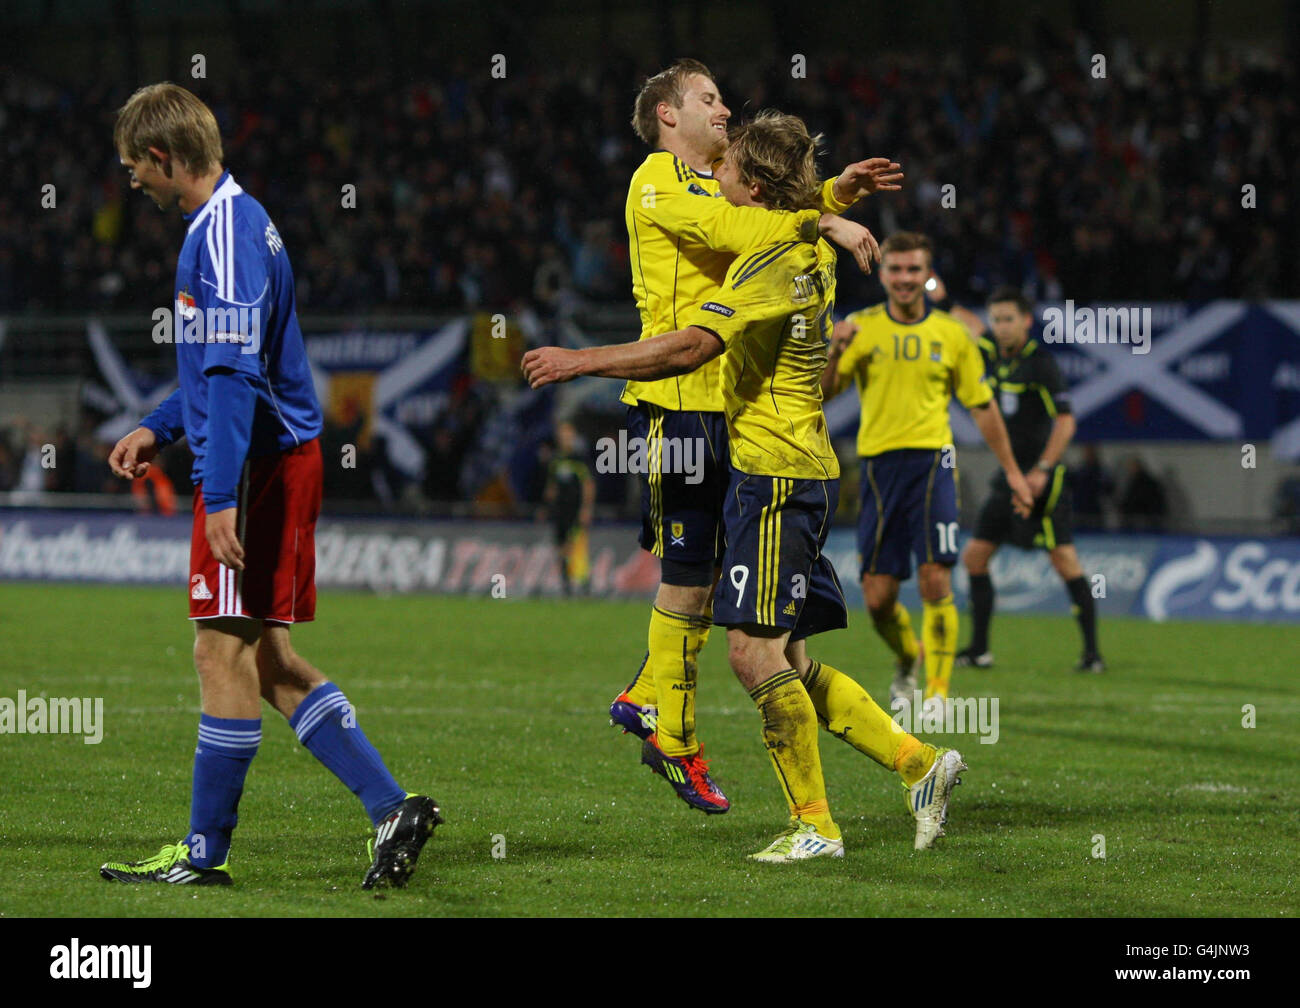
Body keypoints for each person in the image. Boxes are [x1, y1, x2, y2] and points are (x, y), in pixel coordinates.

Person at [525, 111, 963, 861]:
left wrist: (580, 361)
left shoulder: (769, 263)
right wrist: (837, 201)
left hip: (773, 475)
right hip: (793, 468)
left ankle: (815, 826)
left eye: (725, 169)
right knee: (784, 658)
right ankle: (919, 765)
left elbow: (693, 346)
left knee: (751, 656)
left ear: (750, 185)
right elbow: (795, 214)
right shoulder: (793, 236)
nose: (714, 175)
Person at [100, 83, 439, 888]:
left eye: (132, 168)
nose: (131, 184)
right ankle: (393, 807)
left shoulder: (218, 238)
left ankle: (201, 856)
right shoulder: (242, 222)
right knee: (270, 658)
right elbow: (225, 365)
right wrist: (159, 423)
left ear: (161, 157)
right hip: (277, 459)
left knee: (219, 651)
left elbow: (235, 376)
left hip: (256, 468)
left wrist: (218, 495)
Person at [606, 58, 898, 815]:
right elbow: (736, 225)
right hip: (678, 397)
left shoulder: (715, 182)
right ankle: (666, 723)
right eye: (707, 99)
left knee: (715, 583)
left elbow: (757, 207)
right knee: (690, 569)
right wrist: (824, 213)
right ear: (667, 115)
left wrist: (830, 196)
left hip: (724, 409)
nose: (725, 110)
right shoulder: (657, 180)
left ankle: (655, 704)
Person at [822, 234, 1033, 709]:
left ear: (927, 276)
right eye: (895, 269)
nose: (904, 279)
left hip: (935, 463)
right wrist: (835, 351)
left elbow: (983, 409)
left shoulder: (953, 335)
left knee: (935, 578)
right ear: (883, 274)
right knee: (877, 599)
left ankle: (937, 694)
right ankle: (907, 659)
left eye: (913, 270)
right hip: (878, 468)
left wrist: (1015, 474)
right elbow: (824, 393)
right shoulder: (859, 327)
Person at [952, 287, 1105, 674]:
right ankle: (980, 650)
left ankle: (1092, 655)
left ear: (1026, 322)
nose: (1000, 327)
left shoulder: (1042, 364)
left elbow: (1067, 422)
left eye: (1008, 319)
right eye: (996, 319)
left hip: (1041, 481)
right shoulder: (989, 349)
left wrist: (1042, 469)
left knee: (1065, 560)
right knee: (975, 557)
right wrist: (931, 290)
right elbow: (965, 321)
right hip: (1008, 478)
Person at [541, 421, 594, 595]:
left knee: (575, 547)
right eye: (562, 434)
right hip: (559, 510)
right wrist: (546, 505)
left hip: (575, 509)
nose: (565, 437)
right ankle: (567, 586)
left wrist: (586, 509)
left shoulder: (579, 458)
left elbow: (588, 485)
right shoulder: (555, 460)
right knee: (561, 547)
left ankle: (583, 584)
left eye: (568, 433)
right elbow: (551, 487)